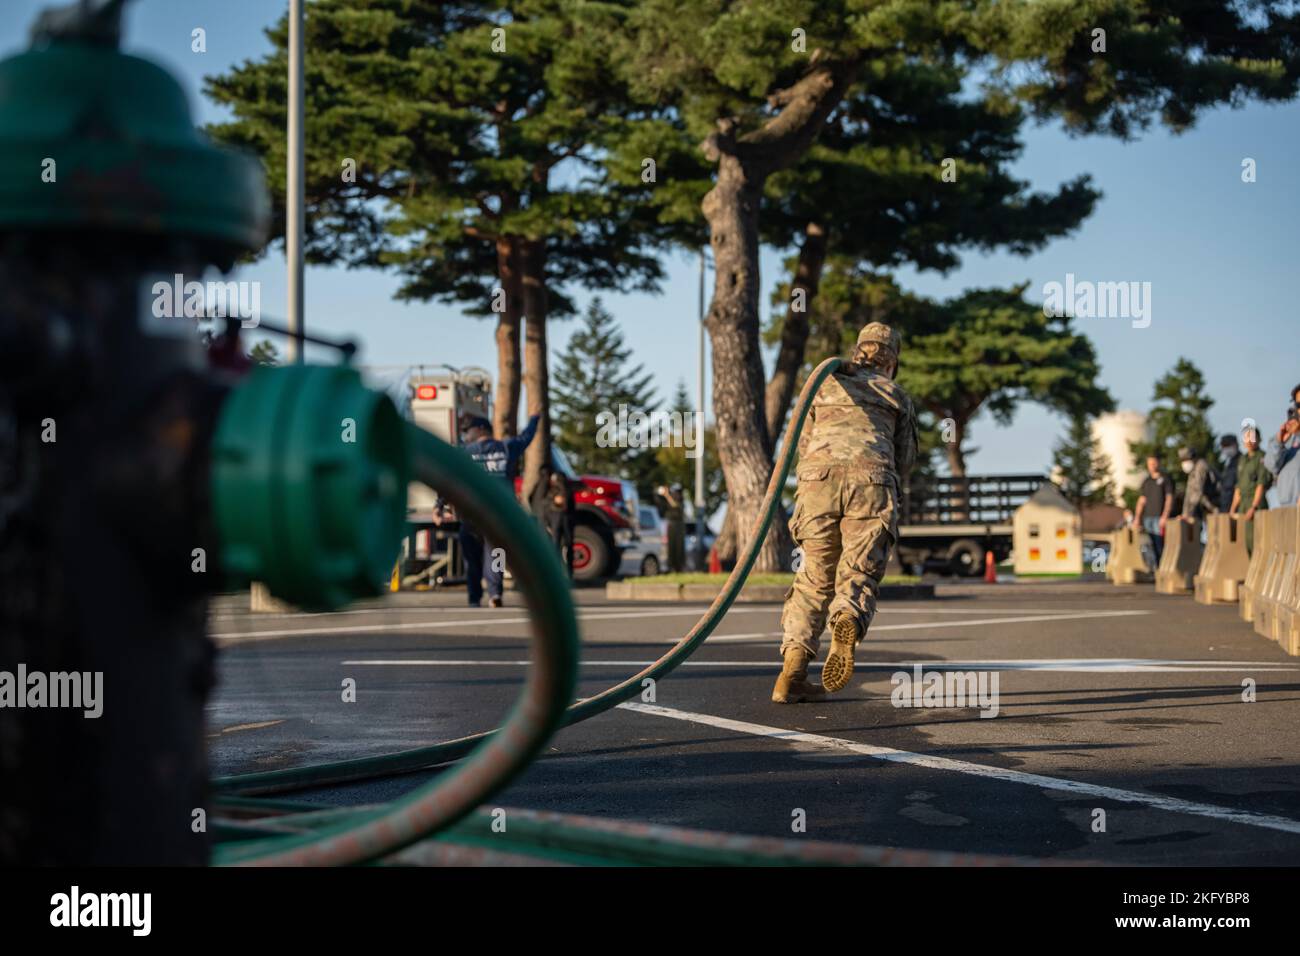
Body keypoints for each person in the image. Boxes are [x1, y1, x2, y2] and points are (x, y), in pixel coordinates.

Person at [774, 321, 918, 704]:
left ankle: (792, 673)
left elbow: (801, 444)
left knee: (812, 580)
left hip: (817, 484)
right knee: (857, 572)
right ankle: (847, 620)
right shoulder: (895, 395)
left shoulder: (822, 385)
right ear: (891, 363)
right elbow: (905, 460)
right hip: (870, 483)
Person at [458, 413, 539, 607]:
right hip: (500, 514)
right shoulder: (507, 447)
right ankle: (495, 594)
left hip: (472, 514)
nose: (465, 436)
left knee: (472, 559)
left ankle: (474, 597)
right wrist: (535, 419)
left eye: (467, 431)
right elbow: (527, 437)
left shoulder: (464, 452)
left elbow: (450, 477)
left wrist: (439, 506)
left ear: (480, 429)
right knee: (498, 555)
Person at [1232, 425, 1271, 555]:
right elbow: (1239, 486)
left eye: (1252, 438)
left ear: (1259, 439)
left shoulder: (1262, 458)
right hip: (1243, 503)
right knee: (1246, 542)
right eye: (1246, 438)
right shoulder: (1242, 459)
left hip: (1255, 503)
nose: (1249, 441)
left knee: (1257, 541)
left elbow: (1261, 484)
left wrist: (1254, 506)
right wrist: (1233, 508)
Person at [1131, 455, 1174, 567]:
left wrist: (1165, 516)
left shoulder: (1165, 479)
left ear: (1158, 463)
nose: (1152, 466)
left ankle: (1162, 567)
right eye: (1150, 464)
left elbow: (1169, 498)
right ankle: (1155, 568)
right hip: (1147, 518)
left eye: (1154, 463)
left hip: (1159, 518)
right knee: (1151, 544)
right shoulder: (1146, 481)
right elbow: (1142, 500)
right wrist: (1137, 518)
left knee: (1161, 544)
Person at [1264, 408, 1300, 508]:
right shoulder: (1281, 440)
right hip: (1287, 506)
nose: (1292, 422)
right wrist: (1279, 442)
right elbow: (1271, 466)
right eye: (1291, 419)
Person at [1177, 446, 1219, 523]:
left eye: (1186, 460)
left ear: (1193, 458)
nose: (1184, 463)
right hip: (1203, 507)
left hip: (1212, 506)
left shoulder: (1201, 466)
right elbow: (1189, 493)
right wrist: (1185, 513)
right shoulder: (1193, 470)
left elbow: (1198, 491)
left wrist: (1188, 514)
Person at [657, 484, 686, 573]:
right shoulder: (669, 499)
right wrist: (663, 493)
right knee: (671, 546)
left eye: (677, 493)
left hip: (679, 525)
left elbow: (674, 505)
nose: (675, 494)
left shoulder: (680, 501)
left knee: (678, 547)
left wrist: (667, 495)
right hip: (671, 524)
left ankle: (679, 567)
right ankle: (671, 567)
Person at [1217, 434, 1240, 513]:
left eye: (1228, 446)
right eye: (1224, 447)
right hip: (1225, 505)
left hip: (1237, 506)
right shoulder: (1228, 463)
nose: (1226, 449)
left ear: (1236, 444)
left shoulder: (1242, 461)